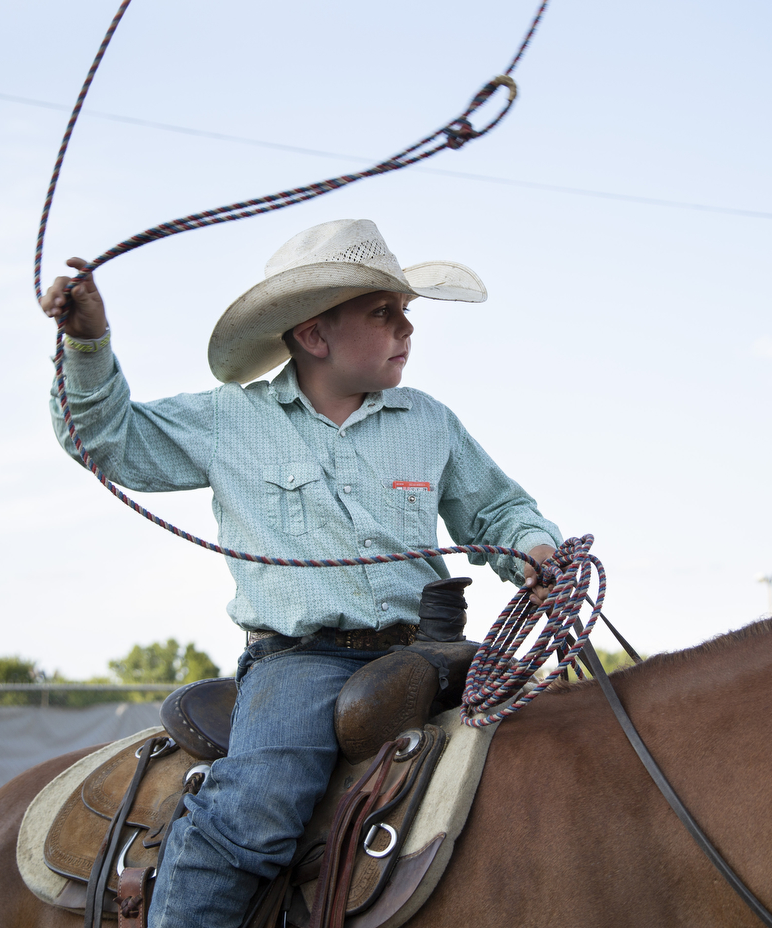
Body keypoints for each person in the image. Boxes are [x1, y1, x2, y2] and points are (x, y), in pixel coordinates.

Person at [41, 218, 561, 928]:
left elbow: (497, 509)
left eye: (407, 312)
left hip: (431, 646)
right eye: (384, 314)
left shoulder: (429, 421)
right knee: (256, 810)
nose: (407, 329)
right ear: (315, 336)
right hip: (303, 664)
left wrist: (531, 547)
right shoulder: (228, 421)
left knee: (561, 735)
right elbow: (103, 437)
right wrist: (87, 343)